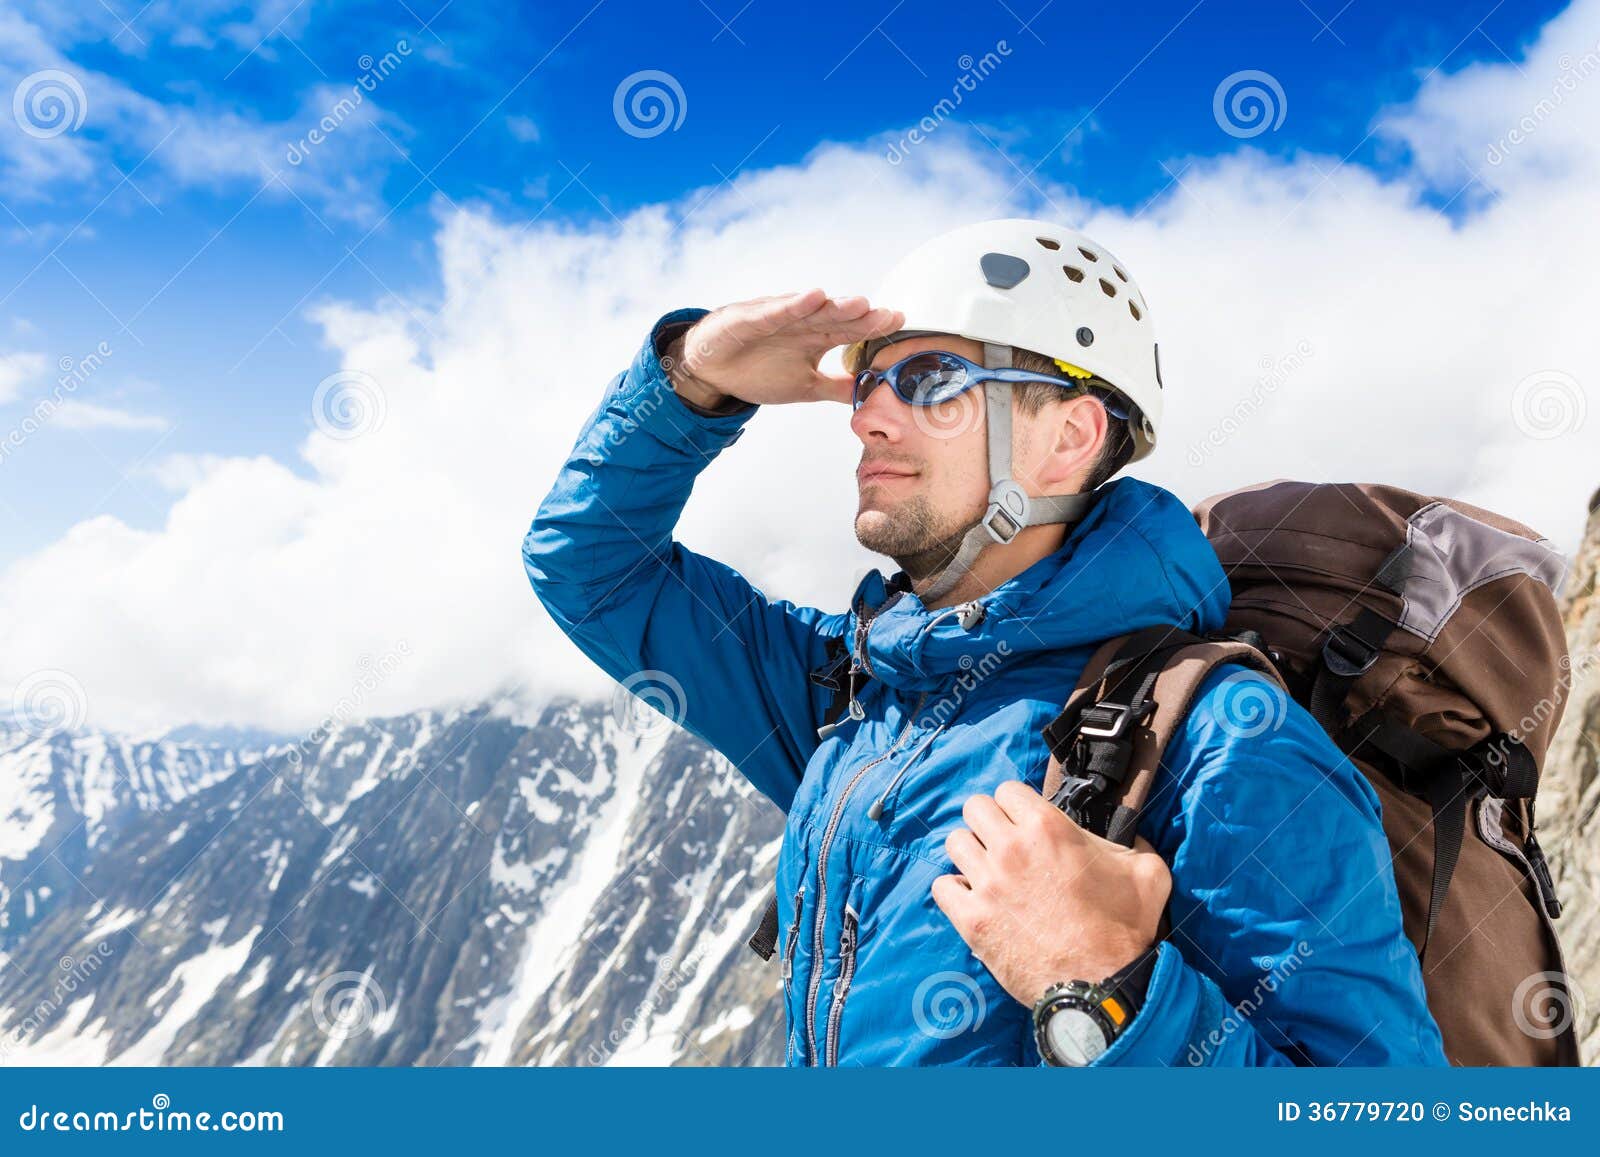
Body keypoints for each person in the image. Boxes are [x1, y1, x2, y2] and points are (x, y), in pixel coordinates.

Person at [523, 218, 1447, 1067]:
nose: (866, 415)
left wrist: (1108, 990)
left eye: (928, 381)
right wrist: (693, 377)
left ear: (1067, 438)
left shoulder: (1222, 744)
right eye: (870, 380)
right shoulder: (858, 693)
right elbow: (591, 566)